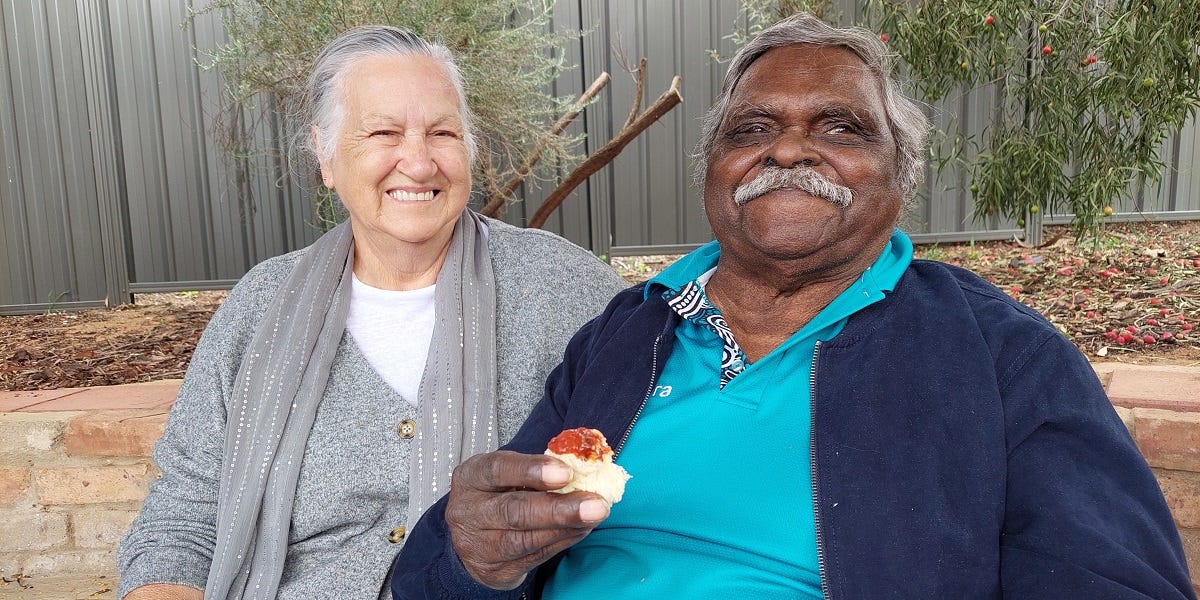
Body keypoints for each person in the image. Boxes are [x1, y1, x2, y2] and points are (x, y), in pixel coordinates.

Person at [388, 13, 1196, 600]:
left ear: (900, 172)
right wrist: (474, 562)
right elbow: (456, 564)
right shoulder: (627, 332)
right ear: (714, 170)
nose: (787, 149)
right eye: (754, 127)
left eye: (840, 127)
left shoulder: (1001, 356)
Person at [116, 25, 628, 600]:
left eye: (441, 133)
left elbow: (652, 470)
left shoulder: (565, 287)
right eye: (383, 132)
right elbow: (185, 511)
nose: (418, 161)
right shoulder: (261, 306)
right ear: (326, 153)